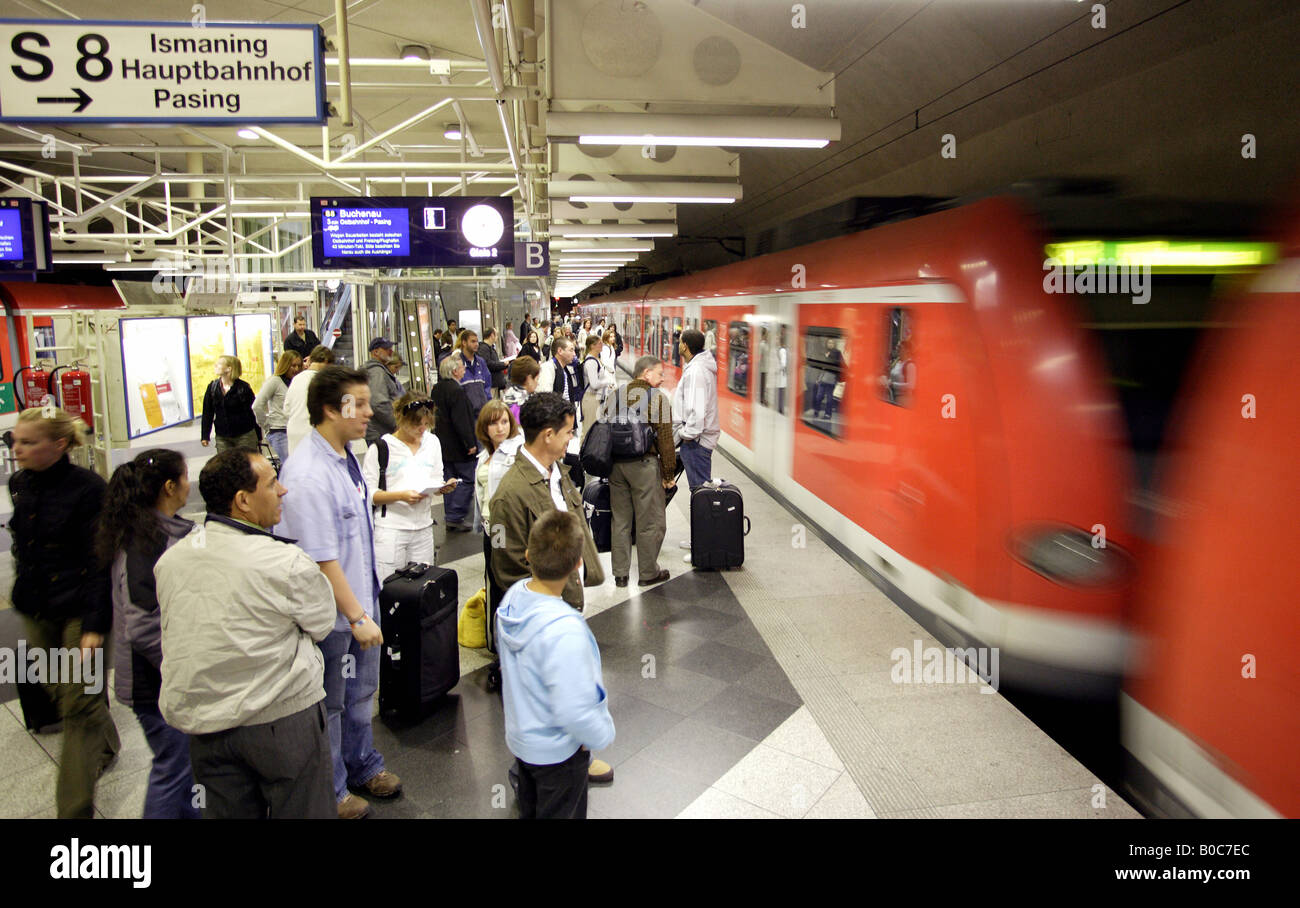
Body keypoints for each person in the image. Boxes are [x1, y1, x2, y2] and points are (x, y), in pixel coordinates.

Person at [155, 448, 336, 819]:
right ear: (243, 501)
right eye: (271, 483)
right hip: (283, 723)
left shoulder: (170, 561)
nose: (283, 490)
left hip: (207, 730)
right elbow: (321, 623)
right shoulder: (284, 562)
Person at [277, 366, 402, 820]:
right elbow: (322, 559)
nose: (370, 412)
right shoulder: (309, 473)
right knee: (329, 705)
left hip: (359, 603)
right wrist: (356, 616)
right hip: (333, 617)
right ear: (331, 409)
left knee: (360, 694)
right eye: (360, 404)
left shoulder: (346, 456)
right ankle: (331, 791)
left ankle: (362, 764)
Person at [488, 393, 610, 784]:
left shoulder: (557, 471)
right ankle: (537, 769)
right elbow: (505, 565)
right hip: (544, 611)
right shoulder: (510, 493)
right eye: (568, 433)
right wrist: (549, 605)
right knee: (542, 692)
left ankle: (568, 755)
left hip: (564, 599)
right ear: (547, 435)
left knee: (561, 683)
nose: (571, 440)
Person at [8, 407, 120, 818]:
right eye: (15, 441)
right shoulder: (19, 484)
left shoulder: (89, 489)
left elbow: (100, 559)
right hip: (37, 606)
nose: (17, 449)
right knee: (65, 692)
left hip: (79, 609)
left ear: (58, 445)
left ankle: (74, 812)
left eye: (28, 442)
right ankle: (107, 744)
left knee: (77, 707)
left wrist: (94, 623)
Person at [97, 448, 199, 819]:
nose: (190, 483)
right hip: (152, 683)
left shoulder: (152, 530)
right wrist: (179, 668)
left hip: (155, 679)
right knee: (173, 769)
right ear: (170, 486)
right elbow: (141, 625)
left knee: (183, 767)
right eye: (186, 476)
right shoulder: (146, 544)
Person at [497, 510, 615, 820]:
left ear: (527, 555)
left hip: (523, 742)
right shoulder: (566, 628)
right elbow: (574, 706)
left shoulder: (510, 601)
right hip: (560, 756)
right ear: (578, 564)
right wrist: (600, 734)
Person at [362, 391, 455, 582]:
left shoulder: (432, 442)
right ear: (400, 418)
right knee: (389, 588)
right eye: (415, 424)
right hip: (391, 530)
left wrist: (442, 487)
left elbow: (436, 478)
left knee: (423, 588)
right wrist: (400, 496)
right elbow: (369, 493)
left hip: (423, 527)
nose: (421, 429)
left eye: (425, 424)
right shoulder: (382, 448)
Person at [609, 356, 675, 588]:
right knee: (650, 521)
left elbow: (603, 429)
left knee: (620, 520)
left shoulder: (615, 395)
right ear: (646, 373)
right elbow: (666, 440)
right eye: (659, 373)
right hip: (644, 465)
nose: (663, 377)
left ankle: (620, 574)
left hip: (616, 467)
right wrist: (668, 475)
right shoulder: (658, 399)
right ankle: (648, 573)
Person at [474, 400, 524, 626]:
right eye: (494, 423)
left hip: (507, 526)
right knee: (494, 580)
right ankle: (499, 641)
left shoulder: (517, 450)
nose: (500, 428)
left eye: (504, 422)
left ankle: (512, 640)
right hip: (489, 526)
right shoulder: (484, 456)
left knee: (507, 582)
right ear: (485, 427)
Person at [673, 329, 720, 559]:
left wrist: (685, 433)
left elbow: (697, 409)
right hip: (698, 440)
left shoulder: (697, 372)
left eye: (680, 342)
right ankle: (697, 539)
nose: (677, 345)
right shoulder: (699, 367)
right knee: (698, 493)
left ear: (685, 346)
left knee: (701, 495)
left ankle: (704, 546)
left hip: (697, 441)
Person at [432, 355, 479, 532]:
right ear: (454, 371)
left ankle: (450, 513)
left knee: (448, 480)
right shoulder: (457, 391)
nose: (464, 370)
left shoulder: (437, 389)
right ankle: (456, 514)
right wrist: (470, 443)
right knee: (466, 479)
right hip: (459, 445)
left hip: (443, 444)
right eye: (462, 368)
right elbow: (462, 420)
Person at [201, 355, 260, 452]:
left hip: (244, 435)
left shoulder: (243, 388)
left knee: (245, 464)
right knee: (225, 464)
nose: (215, 365)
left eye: (219, 364)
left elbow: (252, 412)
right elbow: (207, 412)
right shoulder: (212, 387)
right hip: (222, 436)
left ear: (229, 368)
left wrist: (258, 435)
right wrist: (205, 435)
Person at [284, 345, 335, 458]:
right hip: (313, 432)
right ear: (326, 361)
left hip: (294, 431)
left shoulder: (296, 379)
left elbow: (286, 409)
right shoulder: (324, 381)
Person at [253, 350, 302, 466]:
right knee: (290, 466)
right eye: (293, 365)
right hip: (280, 431)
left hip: (296, 430)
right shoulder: (274, 381)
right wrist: (265, 425)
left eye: (299, 366)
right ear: (285, 365)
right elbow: (257, 405)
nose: (296, 369)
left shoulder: (298, 382)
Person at [364, 337, 402, 446]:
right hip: (380, 432)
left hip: (380, 431)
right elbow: (378, 403)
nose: (391, 351)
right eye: (386, 348)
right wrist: (396, 424)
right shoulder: (377, 372)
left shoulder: (378, 370)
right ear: (375, 352)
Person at [578, 334, 612, 440]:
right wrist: (607, 382)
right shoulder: (591, 362)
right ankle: (583, 454)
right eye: (599, 343)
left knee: (594, 430)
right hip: (590, 399)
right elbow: (594, 384)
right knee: (589, 430)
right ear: (592, 346)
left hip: (596, 398)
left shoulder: (596, 359)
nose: (602, 345)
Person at [537, 336, 579, 411]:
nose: (574, 354)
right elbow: (545, 399)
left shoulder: (565, 370)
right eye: (571, 350)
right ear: (560, 351)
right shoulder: (547, 368)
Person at [504, 355, 540, 422]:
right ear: (529, 379)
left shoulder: (508, 395)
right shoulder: (521, 404)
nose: (538, 383)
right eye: (537, 379)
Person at [479, 327, 510, 394]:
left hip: (496, 382)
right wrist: (503, 364)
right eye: (496, 334)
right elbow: (488, 364)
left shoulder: (490, 347)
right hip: (491, 383)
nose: (497, 337)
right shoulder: (483, 348)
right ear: (492, 335)